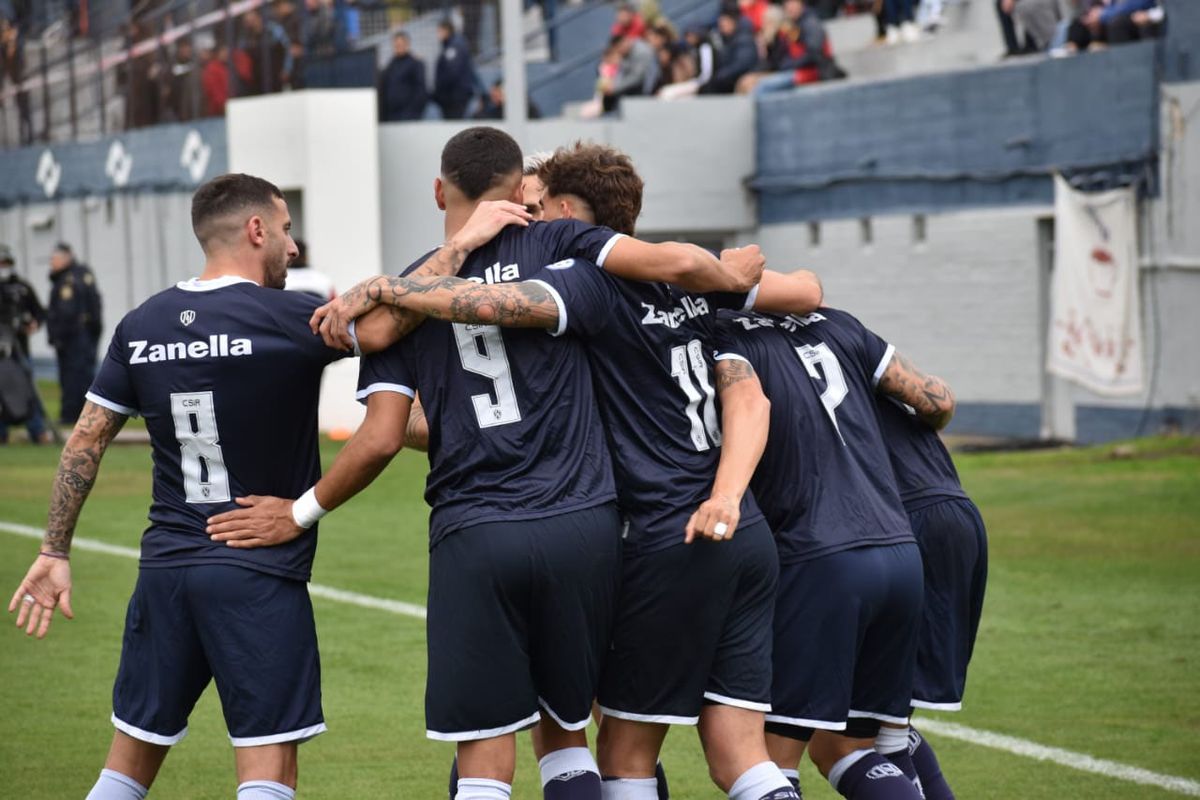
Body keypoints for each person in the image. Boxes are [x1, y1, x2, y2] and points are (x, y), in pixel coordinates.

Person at [206, 126, 766, 800]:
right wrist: (730, 273)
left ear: (440, 189)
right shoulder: (565, 248)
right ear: (522, 193)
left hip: (475, 532)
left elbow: (381, 423)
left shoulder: (407, 288)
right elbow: (670, 263)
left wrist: (302, 511)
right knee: (568, 737)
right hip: (583, 524)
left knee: (485, 755)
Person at [325, 142, 827, 800]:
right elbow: (802, 302)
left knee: (616, 750)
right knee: (738, 752)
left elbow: (478, 310)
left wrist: (392, 283)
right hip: (741, 530)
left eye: (535, 205)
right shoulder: (695, 289)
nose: (525, 214)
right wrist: (728, 275)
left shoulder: (583, 282)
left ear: (563, 213)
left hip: (659, 535)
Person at [6, 173, 393, 800]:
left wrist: (54, 550)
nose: (294, 250)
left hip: (166, 573)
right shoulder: (292, 315)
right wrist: (451, 253)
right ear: (256, 230)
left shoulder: (140, 324)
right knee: (269, 774)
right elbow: (389, 328)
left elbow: (84, 441)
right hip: (255, 569)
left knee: (125, 769)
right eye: (287, 231)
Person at [713, 308, 956, 800]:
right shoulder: (832, 322)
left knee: (770, 758)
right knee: (855, 746)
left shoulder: (716, 334)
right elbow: (939, 402)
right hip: (900, 552)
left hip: (820, 559)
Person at [873, 395, 988, 800]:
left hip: (899, 524)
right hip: (956, 513)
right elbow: (937, 400)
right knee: (885, 723)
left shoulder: (757, 357)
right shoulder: (854, 344)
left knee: (858, 739)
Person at [46, 242, 102, 426]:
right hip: (84, 336)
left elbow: (66, 313)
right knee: (81, 375)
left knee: (73, 377)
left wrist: (58, 338)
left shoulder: (68, 281)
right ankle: (82, 415)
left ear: (65, 259)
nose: (51, 264)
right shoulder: (83, 274)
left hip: (73, 338)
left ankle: (71, 415)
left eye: (54, 260)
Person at [0, 242, 48, 443]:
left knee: (27, 390)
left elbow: (39, 312)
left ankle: (37, 431)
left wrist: (34, 324)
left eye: (5, 262)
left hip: (19, 347)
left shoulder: (22, 287)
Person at [378, 31, 428, 122]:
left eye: (400, 44)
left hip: (408, 116)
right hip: (391, 116)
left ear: (407, 44)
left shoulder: (415, 64)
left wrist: (413, 113)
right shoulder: (390, 65)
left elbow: (421, 91)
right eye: (396, 45)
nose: (398, 47)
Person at [433, 19, 477, 120]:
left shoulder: (454, 47)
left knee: (454, 122)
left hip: (455, 97)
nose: (438, 34)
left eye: (439, 31)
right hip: (453, 96)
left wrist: (440, 92)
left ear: (447, 31)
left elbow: (452, 73)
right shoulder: (450, 46)